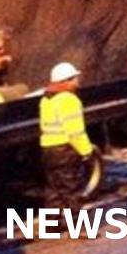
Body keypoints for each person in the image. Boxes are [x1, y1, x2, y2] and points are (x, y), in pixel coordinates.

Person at [39, 62, 94, 208]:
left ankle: (51, 227)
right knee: (72, 190)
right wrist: (86, 151)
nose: (77, 81)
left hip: (48, 149)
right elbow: (75, 132)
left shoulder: (46, 99)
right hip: (64, 150)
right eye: (74, 78)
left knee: (53, 190)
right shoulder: (69, 100)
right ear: (65, 81)